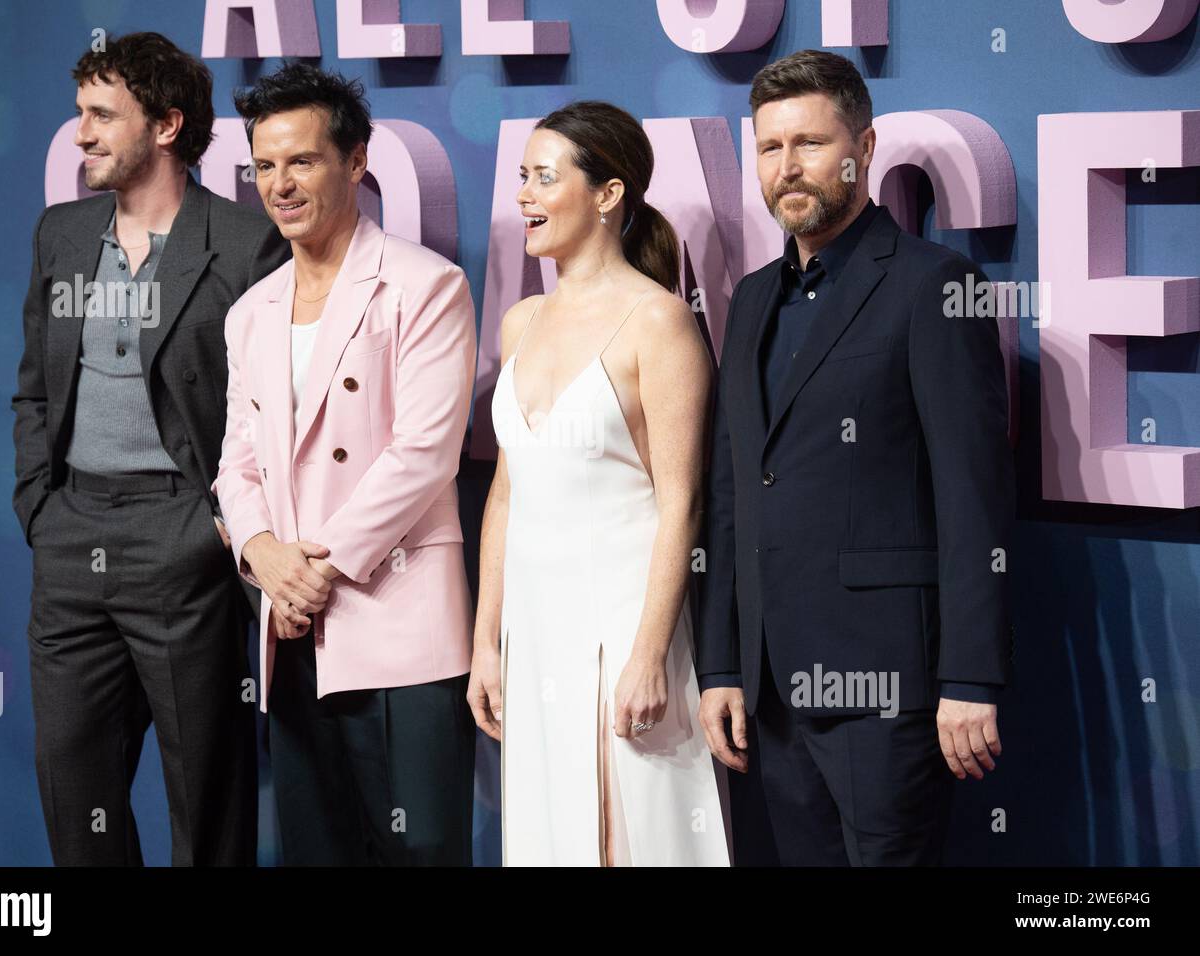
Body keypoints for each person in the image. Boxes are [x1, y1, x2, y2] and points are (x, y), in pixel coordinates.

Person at [697, 49, 1016, 866]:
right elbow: (735, 492)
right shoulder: (754, 299)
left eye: (808, 142)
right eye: (769, 148)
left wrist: (970, 680)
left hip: (888, 693)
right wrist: (723, 664)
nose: (786, 167)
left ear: (863, 149)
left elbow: (973, 499)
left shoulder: (935, 285)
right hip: (772, 693)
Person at [11, 32, 289, 865]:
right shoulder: (60, 233)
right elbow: (33, 385)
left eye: (102, 115)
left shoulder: (245, 245)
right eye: (79, 114)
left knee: (207, 803)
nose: (81, 134)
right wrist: (38, 505)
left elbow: (269, 414)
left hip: (183, 538)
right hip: (69, 539)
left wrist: (213, 530)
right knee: (75, 800)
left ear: (167, 126)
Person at [214, 64, 477, 866]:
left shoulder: (425, 285)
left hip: (397, 620)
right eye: (264, 166)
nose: (279, 185)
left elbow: (423, 454)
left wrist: (311, 574)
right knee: (316, 851)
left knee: (423, 849)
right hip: (293, 634)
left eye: (302, 161)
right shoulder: (250, 313)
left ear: (356, 162)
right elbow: (237, 463)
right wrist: (263, 558)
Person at [468, 100, 731, 866]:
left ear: (608, 195)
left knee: (629, 842)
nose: (523, 196)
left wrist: (650, 654)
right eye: (521, 177)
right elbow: (507, 496)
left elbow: (682, 501)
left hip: (623, 630)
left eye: (544, 178)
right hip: (533, 637)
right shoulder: (519, 322)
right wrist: (488, 642)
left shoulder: (659, 323)